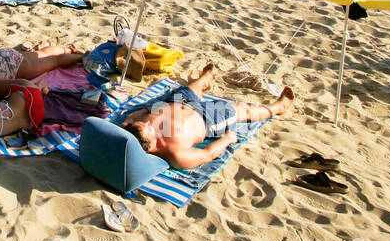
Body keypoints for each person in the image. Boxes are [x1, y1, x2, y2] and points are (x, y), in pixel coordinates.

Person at [119, 64, 294, 169]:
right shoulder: (176, 154)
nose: (148, 125)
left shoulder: (133, 129)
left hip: (179, 102)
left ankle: (205, 79)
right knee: (241, 110)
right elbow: (207, 154)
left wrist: (139, 116)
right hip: (206, 119)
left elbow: (134, 118)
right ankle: (278, 107)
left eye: (144, 124)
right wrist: (228, 139)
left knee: (191, 89)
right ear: (150, 148)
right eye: (148, 129)